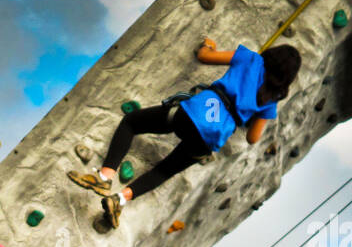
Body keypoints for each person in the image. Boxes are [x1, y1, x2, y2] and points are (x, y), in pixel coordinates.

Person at [69, 39, 303, 228]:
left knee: (132, 122)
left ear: (272, 54)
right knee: (165, 170)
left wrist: (208, 46)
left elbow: (205, 56)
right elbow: (253, 138)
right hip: (212, 138)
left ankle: (105, 177)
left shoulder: (250, 59)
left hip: (195, 113)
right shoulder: (271, 100)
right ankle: (119, 200)